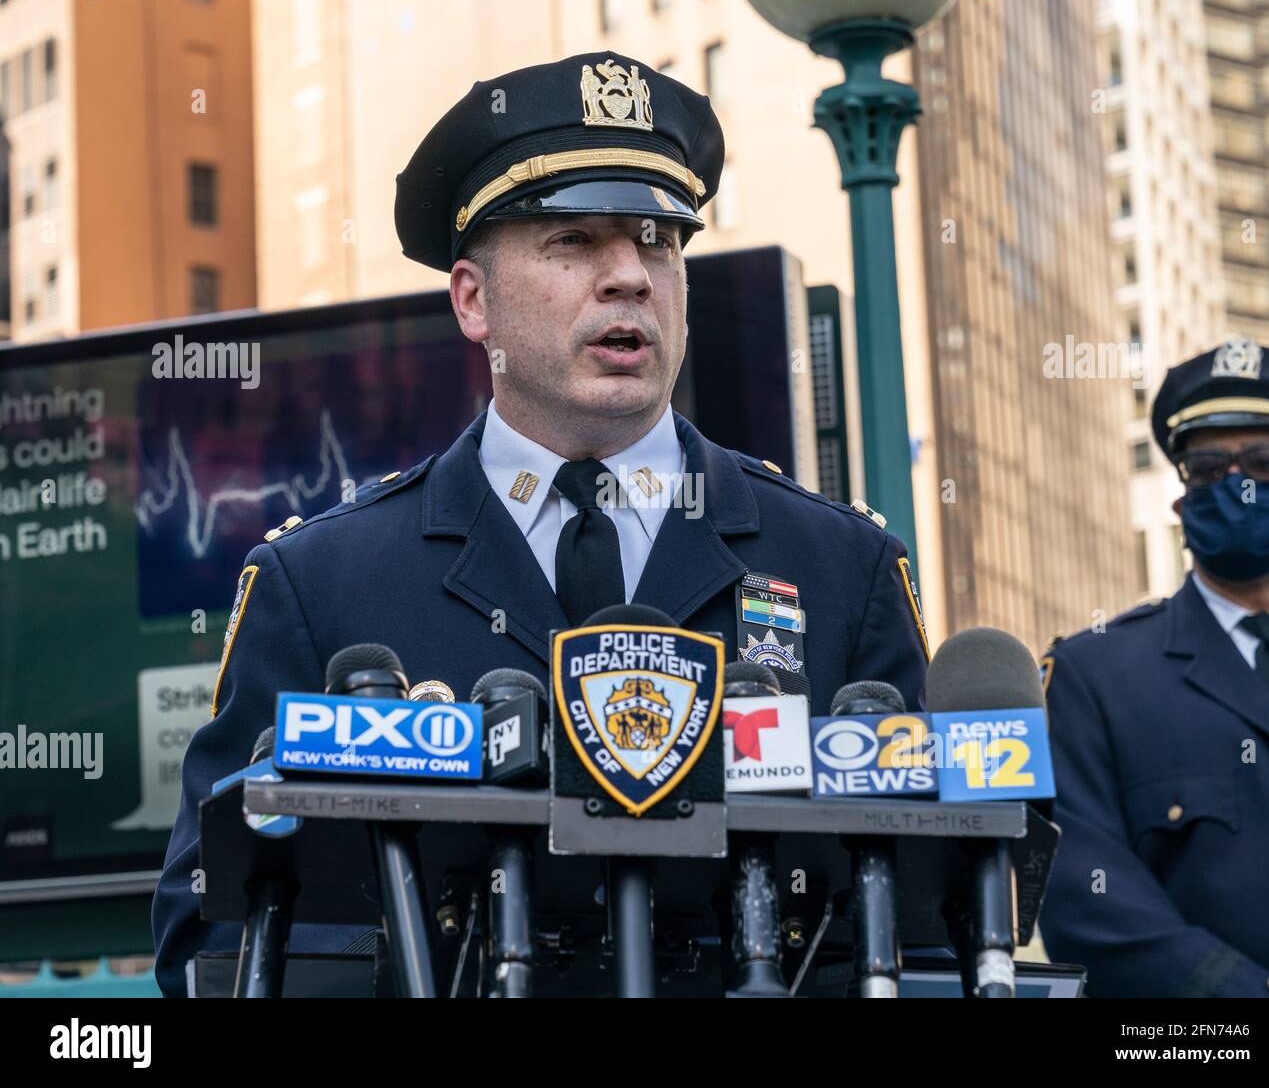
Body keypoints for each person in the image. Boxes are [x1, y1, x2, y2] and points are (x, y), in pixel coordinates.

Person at [151, 50, 930, 997]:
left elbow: (934, 928)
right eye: (574, 241)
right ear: (474, 300)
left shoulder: (842, 568)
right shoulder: (323, 586)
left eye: (657, 239)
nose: (630, 277)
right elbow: (216, 935)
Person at [1039, 339, 1269, 997]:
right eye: (1209, 466)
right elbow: (1084, 895)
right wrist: (1243, 995)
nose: (1239, 485)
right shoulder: (1094, 677)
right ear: (1179, 497)